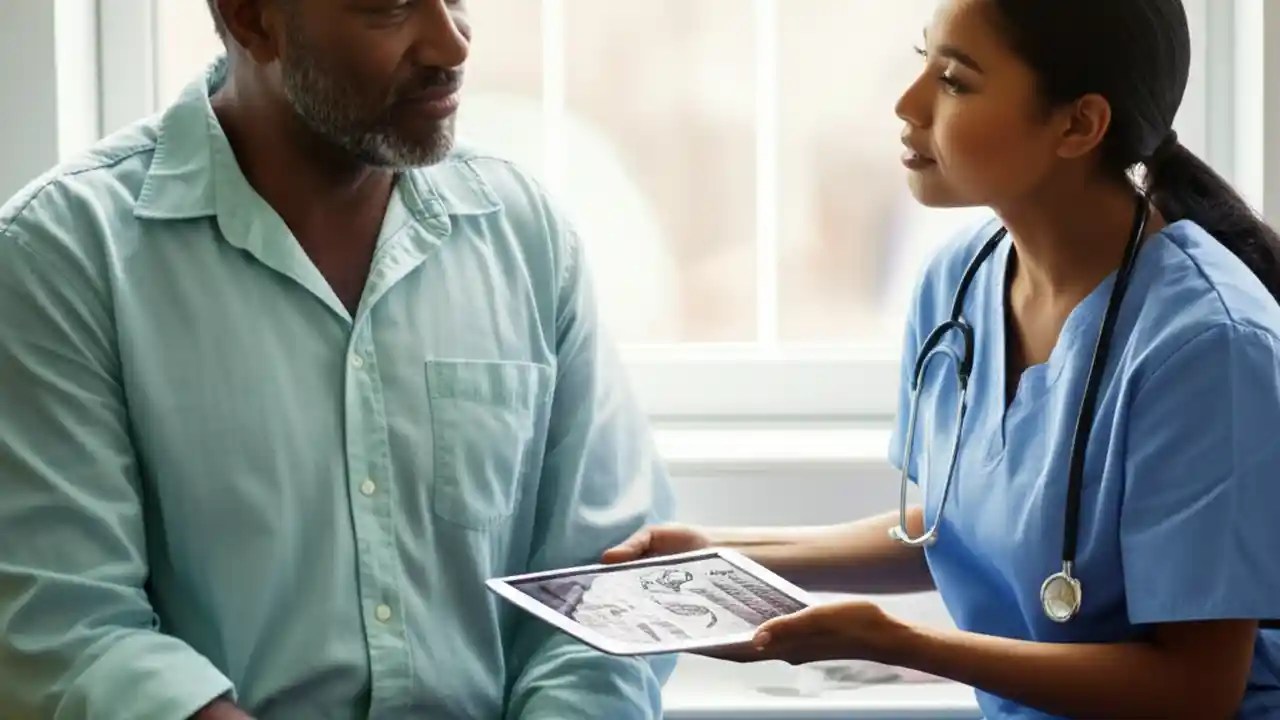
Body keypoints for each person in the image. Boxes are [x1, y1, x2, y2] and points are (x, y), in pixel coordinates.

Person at [605, 0, 1280, 717]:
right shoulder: (960, 280)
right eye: (922, 61)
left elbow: (1195, 689)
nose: (908, 103)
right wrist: (724, 551)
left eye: (955, 81)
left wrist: (899, 642)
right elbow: (955, 530)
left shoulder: (1209, 347)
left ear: (1078, 124)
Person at [0, 1, 674, 718]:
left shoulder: (526, 237)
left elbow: (609, 590)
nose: (451, 45)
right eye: (390, 7)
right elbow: (66, 629)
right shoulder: (63, 255)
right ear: (252, 18)